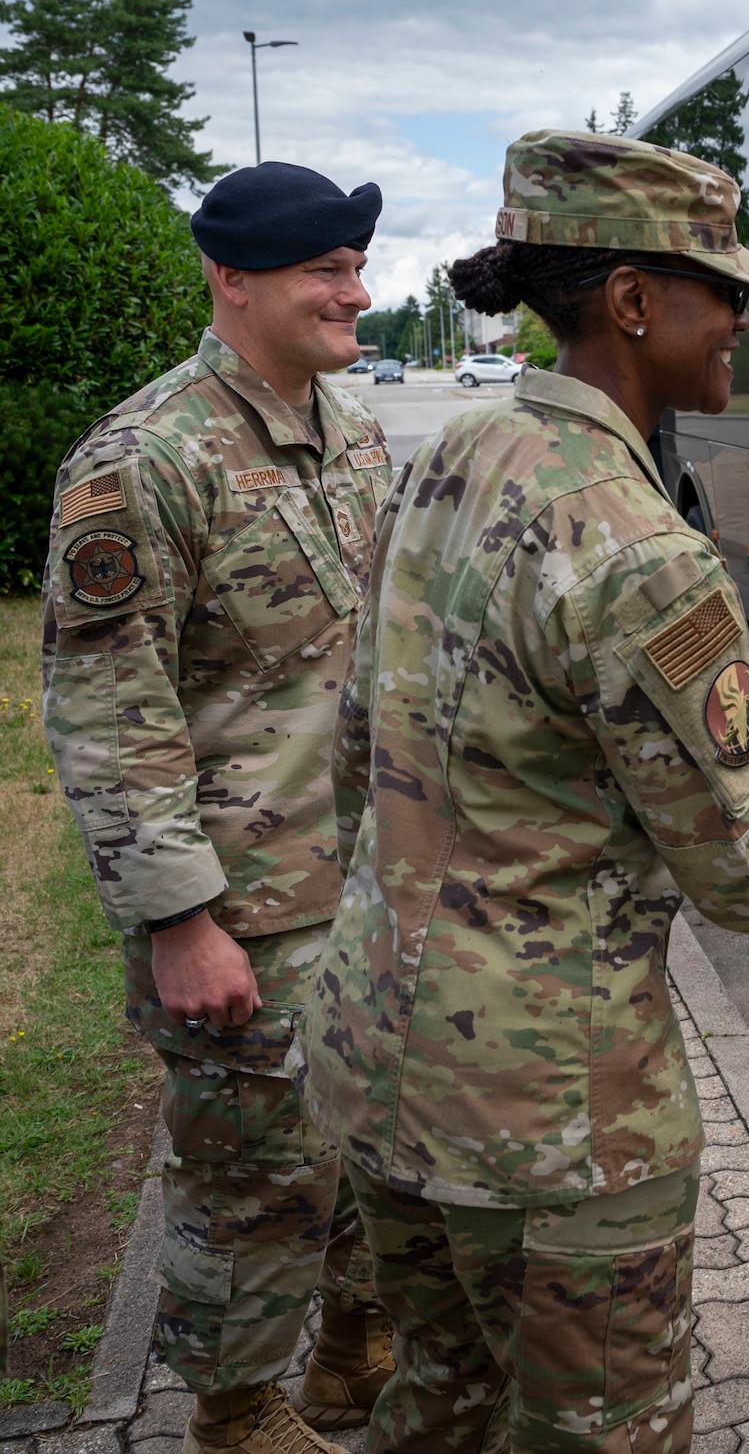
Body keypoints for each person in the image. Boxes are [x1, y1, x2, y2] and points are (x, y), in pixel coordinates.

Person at [299, 130, 749, 1454]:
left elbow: (358, 749)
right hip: (553, 1124)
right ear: (629, 300)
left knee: (438, 1405)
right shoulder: (640, 552)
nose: (742, 319)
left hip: (378, 1052)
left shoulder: (448, 455)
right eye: (720, 289)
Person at [40, 162, 398, 1454]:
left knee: (373, 1142)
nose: (356, 293)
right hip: (245, 907)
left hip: (368, 879)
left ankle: (355, 1351)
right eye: (326, 271)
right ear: (231, 279)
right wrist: (180, 922)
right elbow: (109, 713)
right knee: (255, 1176)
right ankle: (235, 1412)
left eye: (357, 267)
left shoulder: (350, 430)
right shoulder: (143, 461)